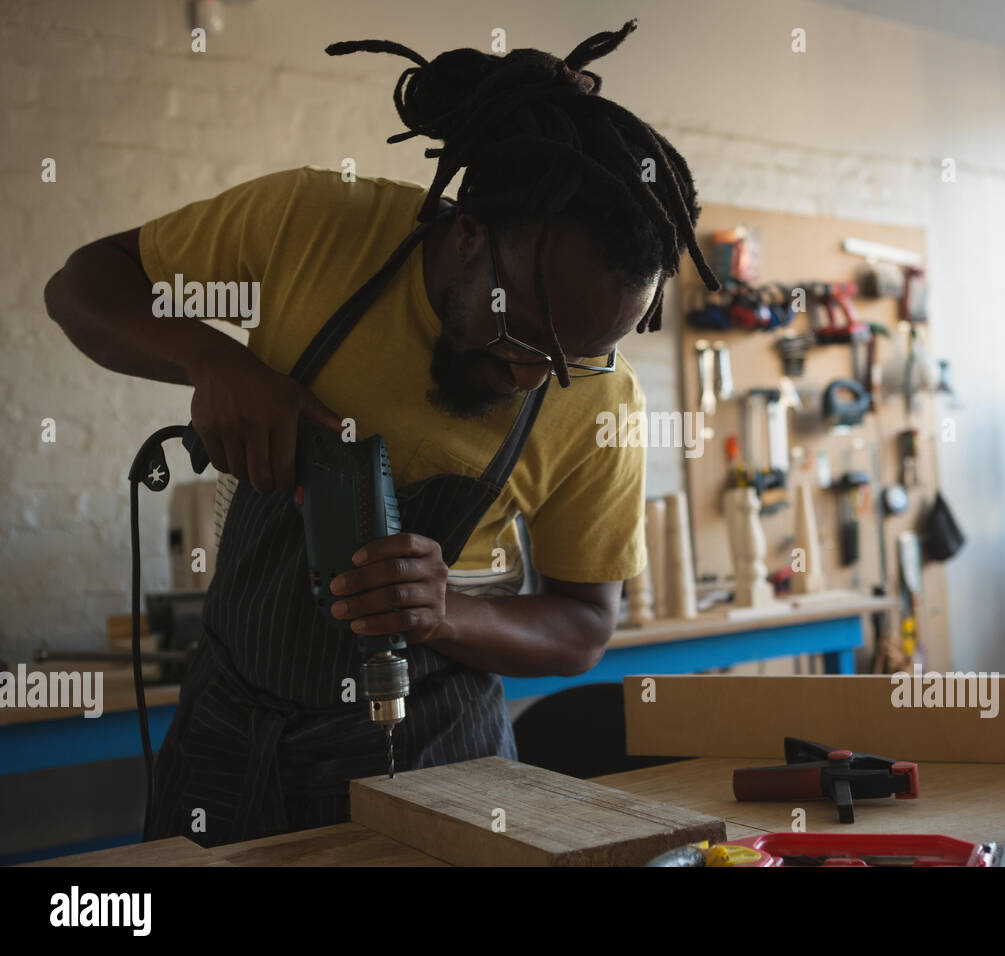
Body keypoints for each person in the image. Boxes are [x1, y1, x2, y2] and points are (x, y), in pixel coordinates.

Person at [44, 19, 718, 847]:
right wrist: (213, 362)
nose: (536, 376)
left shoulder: (601, 403)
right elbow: (83, 285)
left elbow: (584, 627)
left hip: (434, 755)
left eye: (578, 355)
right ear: (467, 232)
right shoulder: (314, 226)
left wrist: (445, 615)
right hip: (227, 731)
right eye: (522, 336)